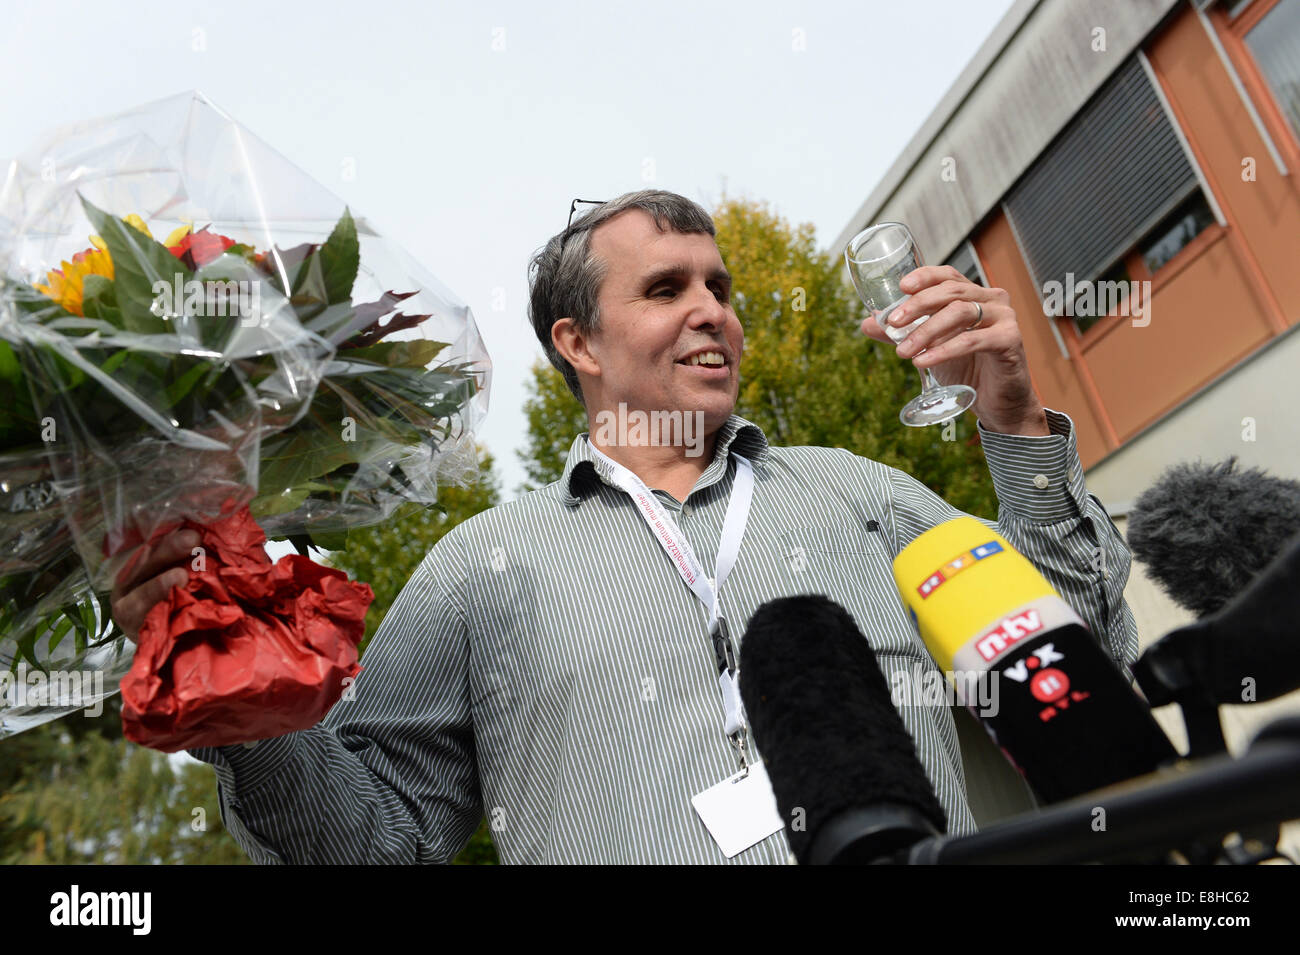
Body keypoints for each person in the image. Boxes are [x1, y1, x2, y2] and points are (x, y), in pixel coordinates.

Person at [111, 190, 1138, 864]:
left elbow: (1077, 680)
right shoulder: (480, 567)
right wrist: (237, 689)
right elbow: (371, 841)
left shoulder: (862, 496)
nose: (715, 312)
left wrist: (1011, 421)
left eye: (720, 288)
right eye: (666, 288)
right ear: (578, 342)